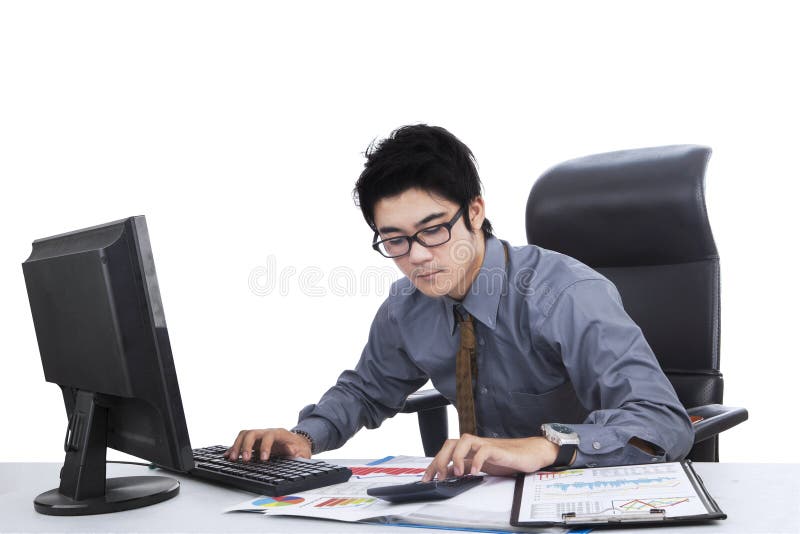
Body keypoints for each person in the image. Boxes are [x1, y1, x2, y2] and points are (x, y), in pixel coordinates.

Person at [226, 124, 694, 481]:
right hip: (479, 501)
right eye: (395, 240)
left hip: (580, 490)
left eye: (433, 230)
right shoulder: (408, 304)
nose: (418, 256)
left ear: (475, 211)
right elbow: (365, 390)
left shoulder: (566, 295)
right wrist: (304, 437)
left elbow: (662, 422)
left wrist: (546, 446)